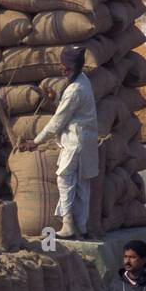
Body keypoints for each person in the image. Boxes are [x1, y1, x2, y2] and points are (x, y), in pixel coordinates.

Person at [18, 45, 99, 239]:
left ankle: (68, 224)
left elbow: (57, 121)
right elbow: (67, 111)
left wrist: (35, 142)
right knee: (81, 184)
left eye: (67, 67)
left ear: (75, 67)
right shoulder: (83, 81)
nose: (63, 70)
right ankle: (82, 226)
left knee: (65, 179)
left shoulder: (75, 90)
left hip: (75, 142)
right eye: (62, 65)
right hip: (84, 140)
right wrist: (54, 100)